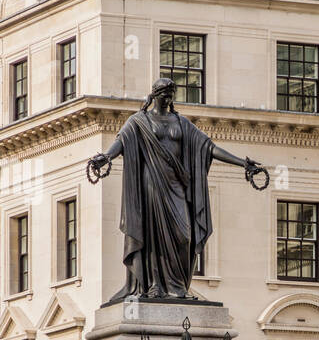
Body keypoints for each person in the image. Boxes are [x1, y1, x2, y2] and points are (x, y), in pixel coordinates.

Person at [86, 76, 268, 301]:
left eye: (170, 96)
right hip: (151, 183)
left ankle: (177, 286)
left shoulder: (182, 123)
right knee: (153, 235)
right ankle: (154, 285)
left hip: (176, 185)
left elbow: (208, 148)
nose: (166, 100)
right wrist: (105, 157)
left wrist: (243, 163)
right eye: (163, 95)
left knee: (184, 236)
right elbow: (121, 142)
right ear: (154, 95)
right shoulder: (138, 121)